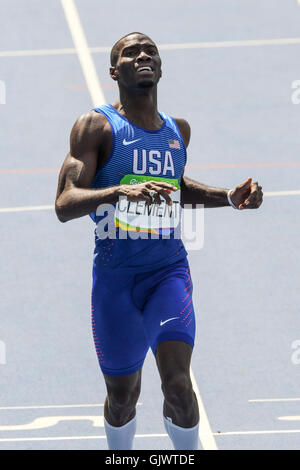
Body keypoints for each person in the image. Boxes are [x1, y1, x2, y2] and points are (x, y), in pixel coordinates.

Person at [55, 32, 263, 450]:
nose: (143, 55)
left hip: (168, 273)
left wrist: (228, 197)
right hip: (115, 281)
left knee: (179, 388)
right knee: (121, 398)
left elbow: (174, 187)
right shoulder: (95, 126)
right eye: (131, 52)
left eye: (150, 50)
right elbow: (65, 202)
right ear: (115, 71)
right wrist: (117, 192)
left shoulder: (177, 130)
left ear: (160, 67)